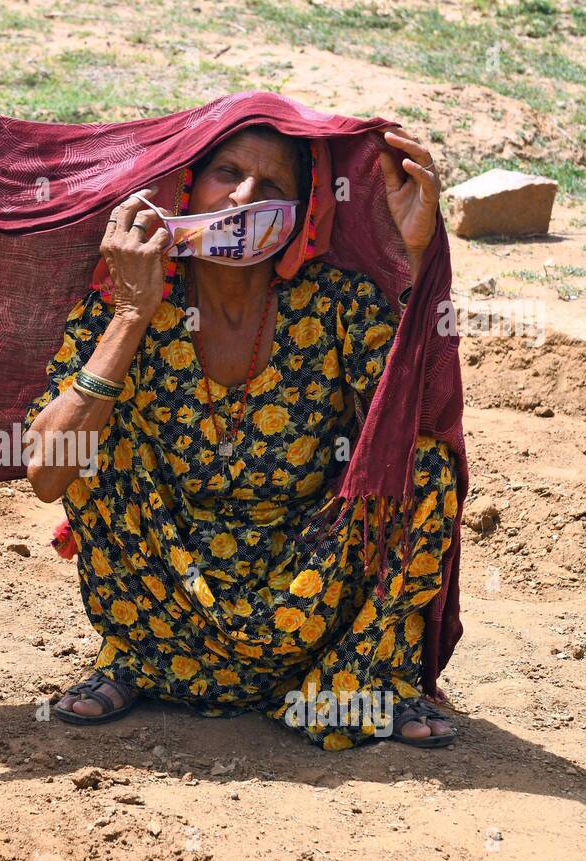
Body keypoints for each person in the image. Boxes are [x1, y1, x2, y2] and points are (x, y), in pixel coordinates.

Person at [23, 124, 459, 749]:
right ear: (187, 187)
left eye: (272, 186)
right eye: (228, 174)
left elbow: (412, 419)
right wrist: (129, 317)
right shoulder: (126, 302)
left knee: (424, 465)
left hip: (305, 596)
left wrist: (412, 256)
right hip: (159, 603)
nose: (243, 200)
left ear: (300, 212)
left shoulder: (333, 307)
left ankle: (357, 682)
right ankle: (133, 660)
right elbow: (46, 475)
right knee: (95, 431)